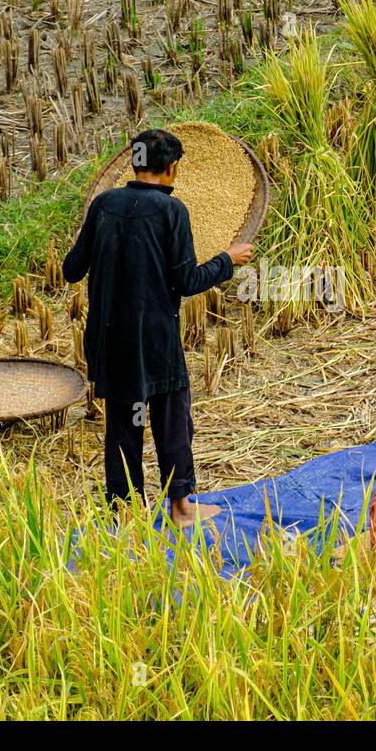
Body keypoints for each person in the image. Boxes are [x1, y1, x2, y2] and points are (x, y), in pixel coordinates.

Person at [64, 128, 253, 527]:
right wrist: (226, 260)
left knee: (125, 423)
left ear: (134, 162)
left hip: (109, 339)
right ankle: (181, 509)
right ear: (170, 168)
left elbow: (70, 270)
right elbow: (186, 282)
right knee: (171, 420)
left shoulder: (103, 206)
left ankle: (123, 510)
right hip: (152, 341)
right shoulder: (172, 212)